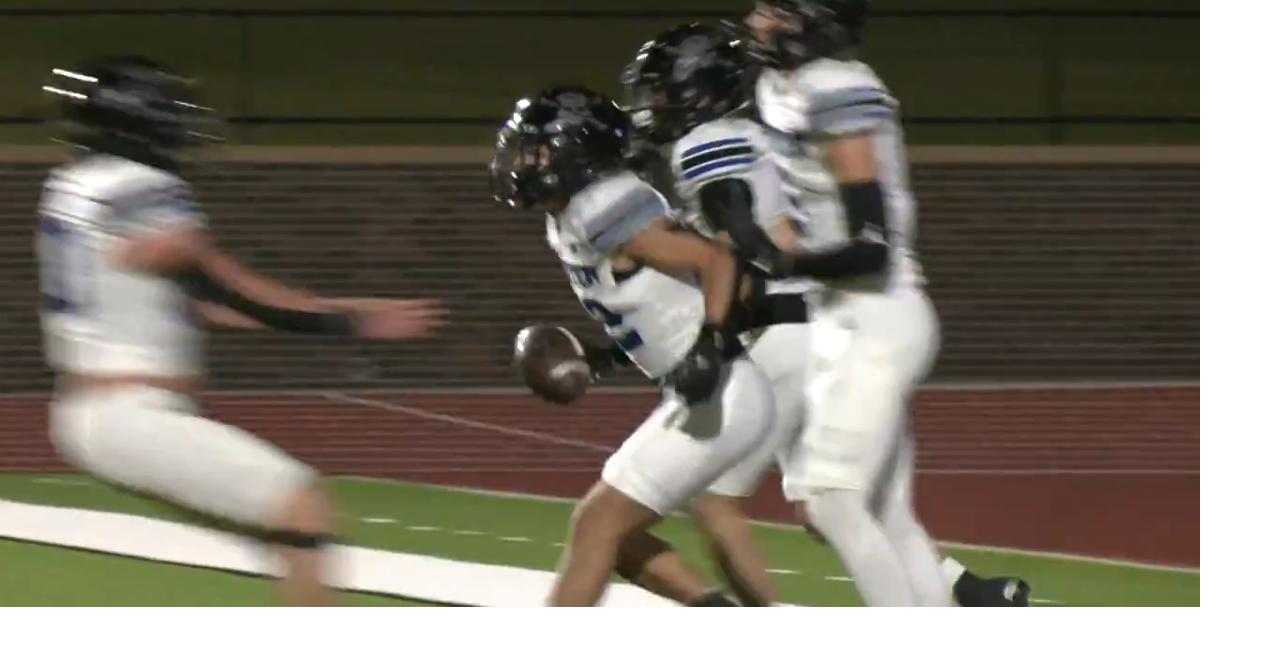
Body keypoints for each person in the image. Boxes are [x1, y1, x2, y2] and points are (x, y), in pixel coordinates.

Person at [623, 20, 1031, 608]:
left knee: (766, 500)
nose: (651, 105)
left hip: (803, 327)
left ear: (698, 91)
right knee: (868, 507)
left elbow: (742, 240)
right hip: (836, 319)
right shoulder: (760, 128)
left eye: (661, 91)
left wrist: (724, 306)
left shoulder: (709, 141)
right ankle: (966, 592)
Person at [38, 56, 446, 607]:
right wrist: (347, 320)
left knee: (283, 540)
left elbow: (202, 302)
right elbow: (226, 285)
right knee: (302, 505)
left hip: (89, 412)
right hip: (131, 414)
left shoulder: (72, 186)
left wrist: (335, 309)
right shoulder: (140, 185)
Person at [491, 85, 780, 607]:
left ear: (573, 151)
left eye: (536, 150)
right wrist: (605, 355)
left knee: (596, 525)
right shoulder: (575, 215)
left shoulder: (603, 206)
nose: (523, 162)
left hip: (725, 391)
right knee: (618, 540)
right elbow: (662, 306)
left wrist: (710, 343)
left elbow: (718, 262)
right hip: (703, 391)